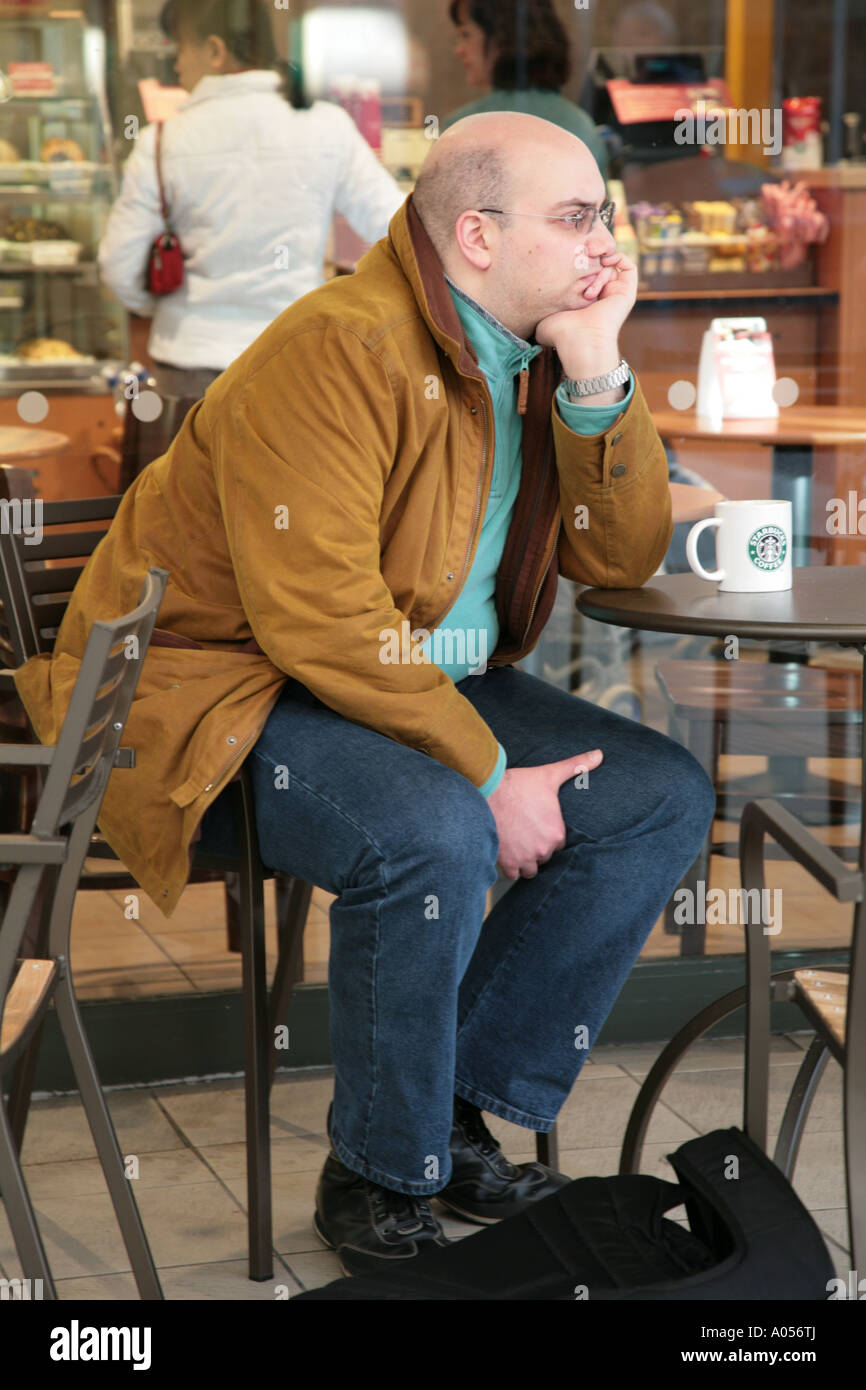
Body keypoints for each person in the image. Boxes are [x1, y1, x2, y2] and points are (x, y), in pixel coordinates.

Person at [16, 112, 715, 1279]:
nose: (607, 240)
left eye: (605, 212)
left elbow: (619, 554)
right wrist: (486, 773)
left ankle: (444, 1113)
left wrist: (597, 370)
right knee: (430, 827)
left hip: (409, 679)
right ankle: (381, 1169)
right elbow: (320, 618)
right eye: (577, 215)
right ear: (477, 236)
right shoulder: (340, 347)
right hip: (226, 692)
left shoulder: (539, 347)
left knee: (651, 795)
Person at [98, 0, 404, 398]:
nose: (175, 66)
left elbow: (118, 267)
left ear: (214, 50)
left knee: (194, 463)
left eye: (180, 50)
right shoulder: (327, 125)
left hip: (191, 366)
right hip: (298, 359)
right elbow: (396, 225)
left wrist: (172, 312)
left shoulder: (162, 141)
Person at [444, 0, 609, 181]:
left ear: (502, 38)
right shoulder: (581, 125)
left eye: (466, 34)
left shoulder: (462, 128)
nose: (459, 50)